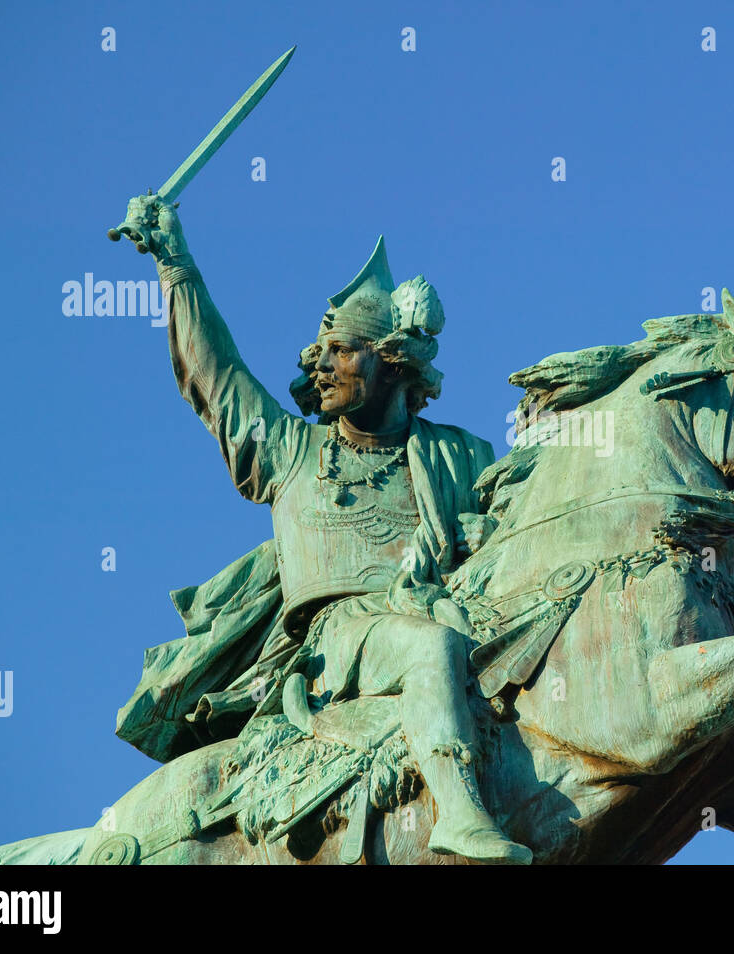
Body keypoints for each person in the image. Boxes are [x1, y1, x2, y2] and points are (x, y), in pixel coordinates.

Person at [114, 193, 530, 864]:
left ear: (391, 361)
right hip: (339, 643)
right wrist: (176, 263)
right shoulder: (291, 452)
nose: (321, 364)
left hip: (454, 613)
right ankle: (458, 816)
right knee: (429, 649)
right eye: (320, 351)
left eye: (342, 351)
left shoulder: (463, 455)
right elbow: (217, 378)